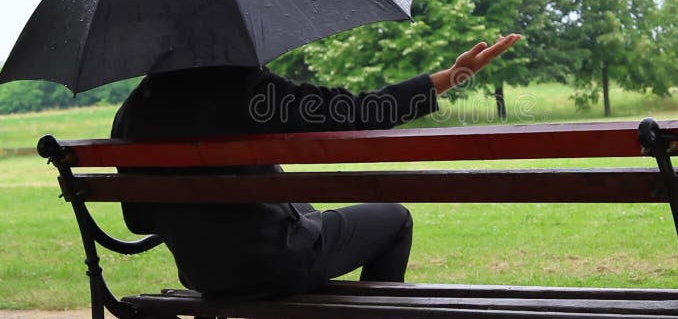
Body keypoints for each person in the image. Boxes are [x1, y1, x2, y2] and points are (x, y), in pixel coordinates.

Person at [111, 34, 522, 299]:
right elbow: (360, 112)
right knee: (395, 218)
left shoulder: (134, 111)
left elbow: (140, 219)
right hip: (277, 265)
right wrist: (453, 75)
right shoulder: (245, 88)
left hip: (205, 275)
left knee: (306, 210)